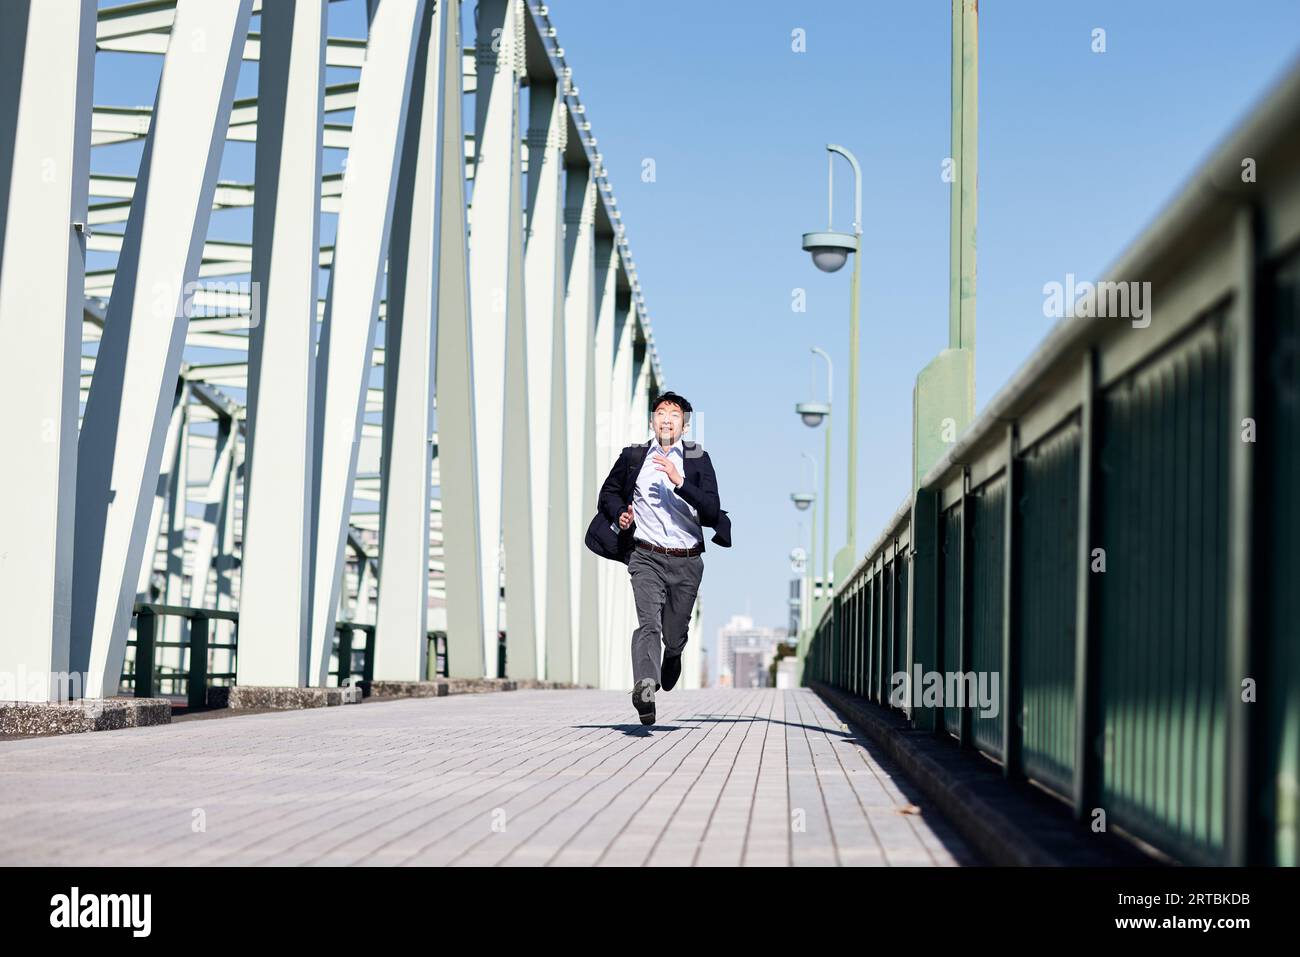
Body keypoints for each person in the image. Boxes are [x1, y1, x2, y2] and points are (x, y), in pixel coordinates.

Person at [584, 391, 731, 725]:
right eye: (661, 412)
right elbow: (608, 493)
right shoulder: (634, 456)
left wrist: (680, 482)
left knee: (673, 630)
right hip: (645, 555)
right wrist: (621, 512)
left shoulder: (697, 458)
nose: (667, 418)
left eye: (675, 414)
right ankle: (646, 688)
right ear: (652, 420)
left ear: (685, 424)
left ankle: (675, 652)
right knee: (648, 624)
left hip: (687, 559)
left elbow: (710, 511)